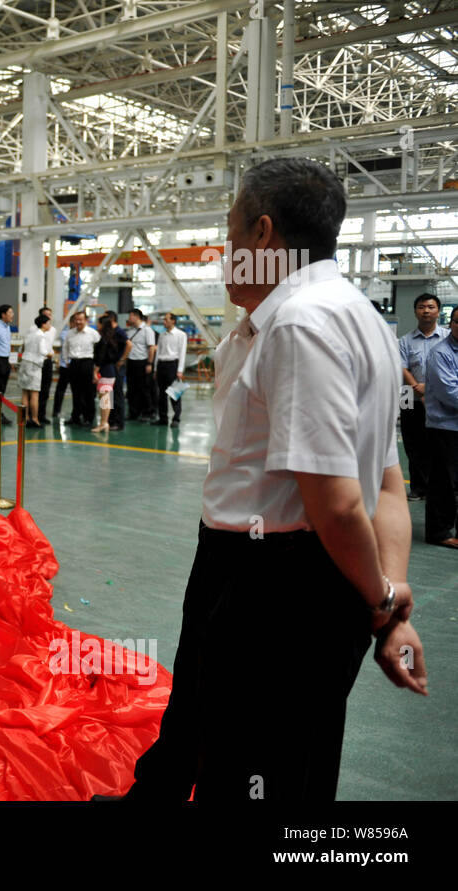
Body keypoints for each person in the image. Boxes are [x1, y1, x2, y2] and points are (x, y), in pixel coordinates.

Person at [120, 158, 427, 802]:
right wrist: (390, 596)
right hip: (285, 574)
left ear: (262, 234)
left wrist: (380, 607)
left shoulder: (300, 324)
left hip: (276, 586)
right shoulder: (363, 319)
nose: (226, 251)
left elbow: (340, 506)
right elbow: (388, 486)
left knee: (258, 767)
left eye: (230, 235)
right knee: (219, 719)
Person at [400, 293, 444, 501]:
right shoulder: (405, 340)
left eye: (430, 307)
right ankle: (418, 488)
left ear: (438, 311)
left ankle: (437, 486)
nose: (426, 310)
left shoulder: (448, 337)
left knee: (437, 442)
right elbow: (401, 367)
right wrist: (417, 387)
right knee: (411, 442)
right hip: (407, 394)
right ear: (415, 311)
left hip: (440, 395)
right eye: (421, 307)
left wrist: (429, 388)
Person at [423, 307, 458, 549]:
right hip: (445, 428)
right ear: (452, 323)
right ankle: (439, 532)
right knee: (444, 482)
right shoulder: (441, 353)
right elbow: (450, 393)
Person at [62, 311, 99, 426]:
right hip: (74, 364)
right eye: (76, 320)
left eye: (80, 320)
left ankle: (89, 418)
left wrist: (96, 368)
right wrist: (67, 360)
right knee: (76, 392)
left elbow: (99, 350)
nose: (78, 322)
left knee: (88, 393)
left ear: (86, 320)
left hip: (87, 363)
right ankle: (75, 417)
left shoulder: (93, 333)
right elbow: (65, 348)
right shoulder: (70, 333)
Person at [154, 311, 188, 426]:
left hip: (172, 366)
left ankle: (176, 419)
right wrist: (155, 369)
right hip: (161, 366)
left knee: (175, 393)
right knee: (162, 395)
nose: (164, 322)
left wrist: (180, 370)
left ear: (173, 321)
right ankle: (163, 419)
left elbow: (182, 353)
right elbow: (158, 352)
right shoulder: (162, 335)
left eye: (166, 320)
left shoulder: (181, 335)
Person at [18, 313, 52, 428]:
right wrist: (51, 354)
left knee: (24, 392)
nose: (50, 325)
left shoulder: (30, 334)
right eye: (48, 323)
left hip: (24, 363)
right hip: (34, 365)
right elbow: (43, 351)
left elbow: (22, 348)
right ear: (43, 324)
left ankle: (25, 418)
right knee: (34, 394)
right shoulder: (41, 336)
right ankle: (35, 419)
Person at [92, 314, 122, 433]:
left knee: (104, 398)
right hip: (110, 370)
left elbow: (100, 357)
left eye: (98, 323)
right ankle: (104, 422)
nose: (97, 325)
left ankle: (103, 423)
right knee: (106, 398)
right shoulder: (111, 338)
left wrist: (95, 371)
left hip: (104, 371)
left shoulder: (103, 340)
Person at [125, 309, 156, 422]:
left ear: (136, 316)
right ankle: (133, 412)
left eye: (130, 316)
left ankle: (148, 412)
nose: (129, 319)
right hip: (131, 362)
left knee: (144, 388)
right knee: (132, 389)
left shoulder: (147, 330)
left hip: (142, 362)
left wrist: (149, 363)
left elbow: (151, 348)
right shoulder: (130, 331)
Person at [37, 306, 57, 424]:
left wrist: (52, 354)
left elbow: (49, 345)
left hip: (47, 361)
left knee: (45, 389)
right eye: (46, 314)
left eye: (50, 314)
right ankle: (32, 414)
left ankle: (42, 414)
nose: (49, 316)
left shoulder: (53, 330)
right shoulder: (34, 330)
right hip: (37, 361)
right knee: (35, 390)